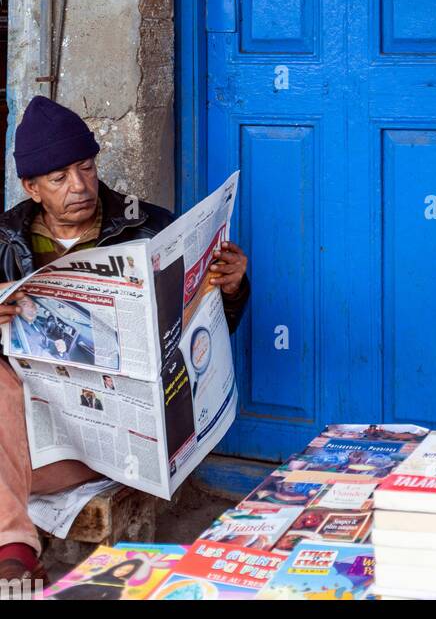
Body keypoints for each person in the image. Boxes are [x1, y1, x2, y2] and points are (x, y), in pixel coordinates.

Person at [0, 95, 250, 584]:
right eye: (59, 178)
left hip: (120, 439)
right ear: (31, 188)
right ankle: (14, 552)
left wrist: (233, 288)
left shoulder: (149, 226)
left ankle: (13, 556)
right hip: (33, 435)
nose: (80, 186)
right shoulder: (4, 240)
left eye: (87, 167)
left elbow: (202, 342)